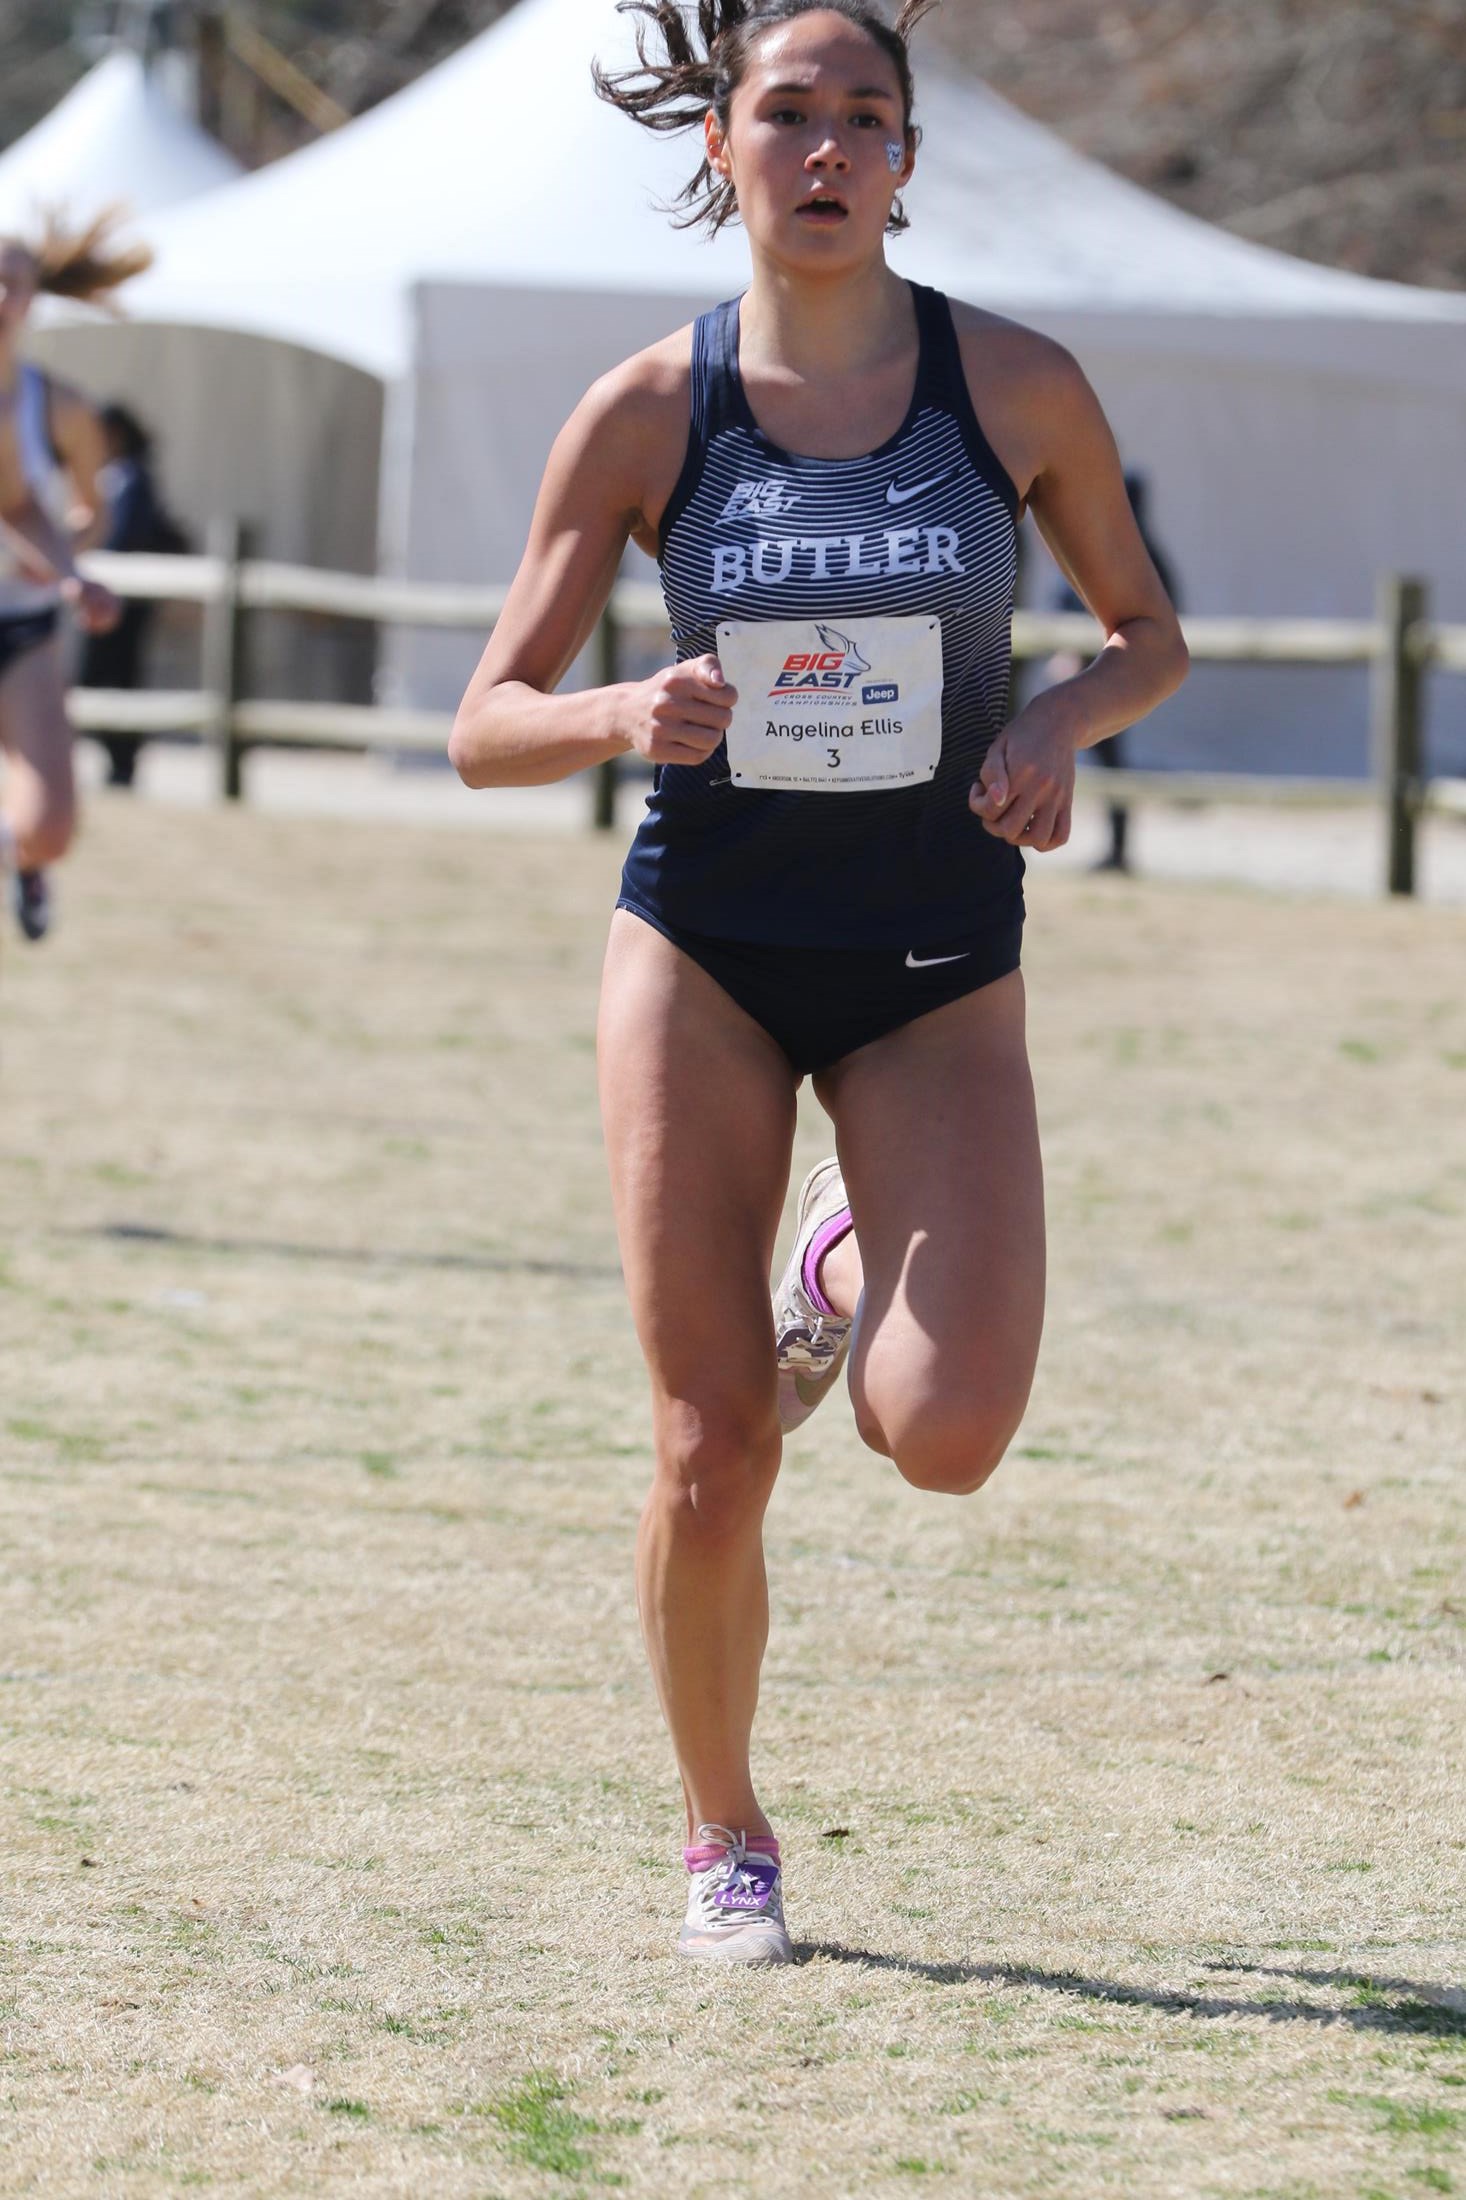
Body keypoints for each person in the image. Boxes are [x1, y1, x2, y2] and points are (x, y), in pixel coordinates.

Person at [449, 0, 1187, 1965]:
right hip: (703, 943)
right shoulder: (639, 412)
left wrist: (1058, 715)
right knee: (710, 1440)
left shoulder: (1011, 385)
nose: (832, 146)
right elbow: (480, 719)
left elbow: (1145, 633)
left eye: (870, 116)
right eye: (793, 112)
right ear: (725, 142)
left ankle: (839, 1267)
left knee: (938, 1431)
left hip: (936, 953)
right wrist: (623, 703)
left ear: (908, 158)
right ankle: (724, 1833)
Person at [0, 215, 148, 941]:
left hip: (21, 624)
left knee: (51, 829)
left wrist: (70, 571)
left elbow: (59, 510)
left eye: (11, 283)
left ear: (31, 299)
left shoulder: (53, 406)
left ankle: (26, 863)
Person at [1047, 468, 1181, 874]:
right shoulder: (1121, 548)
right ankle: (1114, 843)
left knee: (1105, 757)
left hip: (1111, 672)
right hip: (1104, 672)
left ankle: (1117, 844)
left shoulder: (1123, 551)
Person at [78, 403, 190, 790]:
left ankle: (122, 763)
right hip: (108, 596)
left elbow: (123, 537)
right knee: (104, 677)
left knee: (116, 676)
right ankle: (116, 761)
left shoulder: (131, 479)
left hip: (124, 600)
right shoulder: (111, 477)